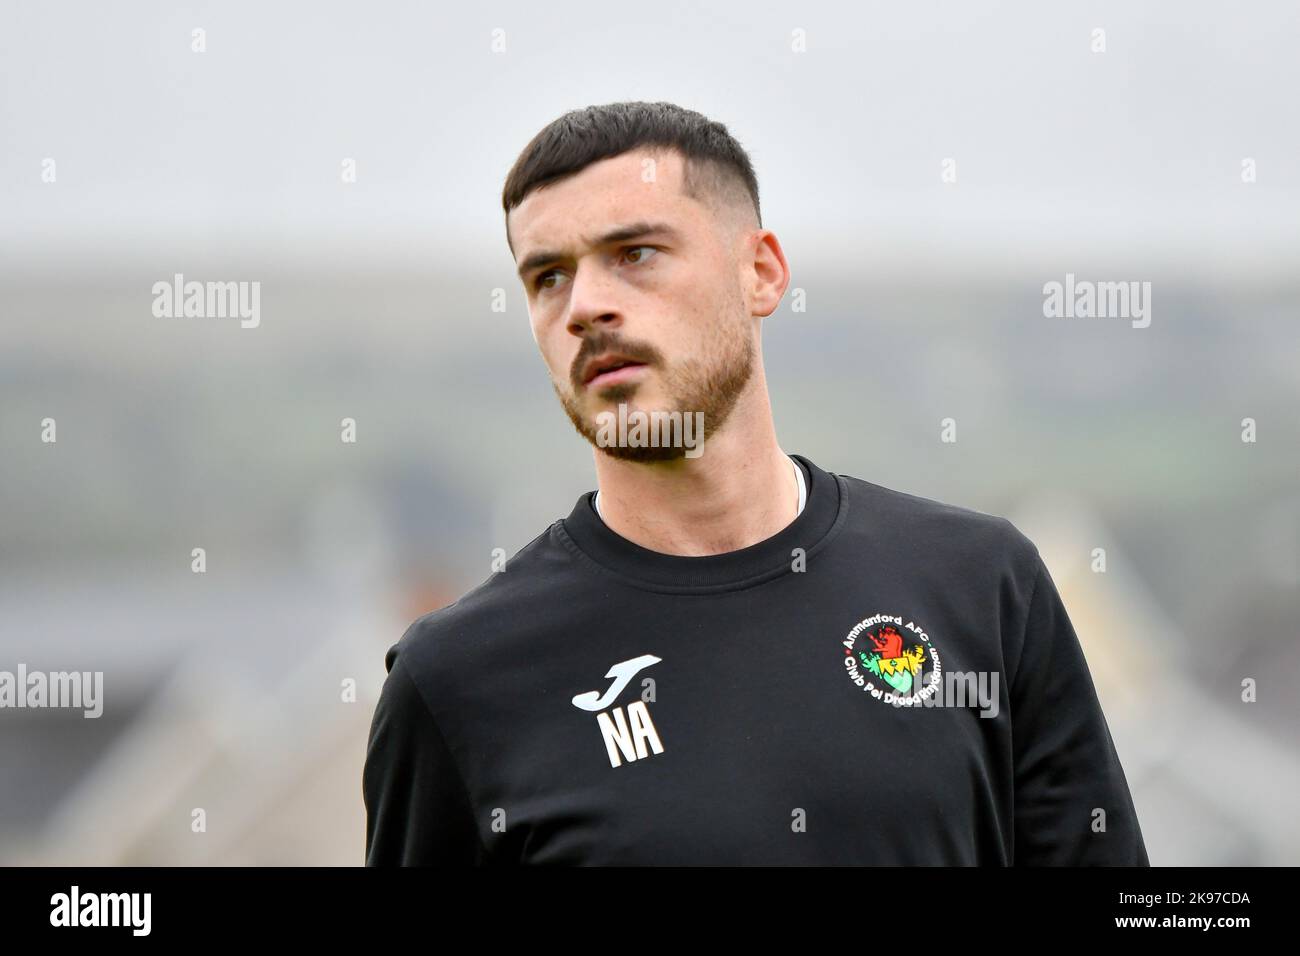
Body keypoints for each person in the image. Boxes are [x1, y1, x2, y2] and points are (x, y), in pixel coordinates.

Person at [362, 101, 1149, 865]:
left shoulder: (981, 586)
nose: (585, 307)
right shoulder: (458, 683)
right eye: (548, 277)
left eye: (634, 253)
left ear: (762, 273)